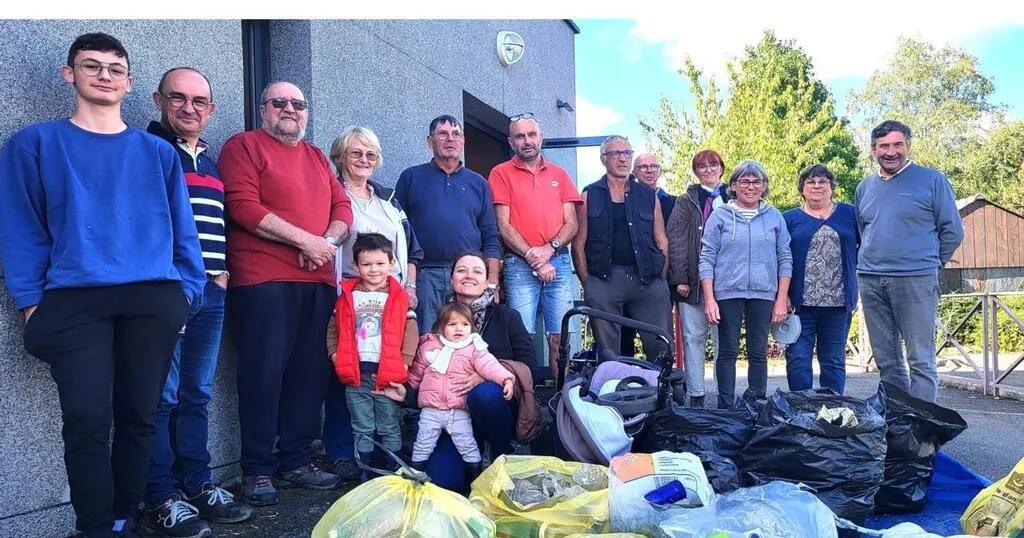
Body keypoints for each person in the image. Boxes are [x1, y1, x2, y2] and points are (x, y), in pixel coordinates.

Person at [0, 33, 205, 538]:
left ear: (129, 83)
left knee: (140, 415)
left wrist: (186, 295)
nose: (104, 75)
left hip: (152, 297)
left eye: (115, 68)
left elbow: (183, 230)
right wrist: (30, 303)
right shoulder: (34, 144)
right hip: (73, 299)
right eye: (91, 66)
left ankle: (123, 517)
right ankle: (94, 527)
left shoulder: (157, 152)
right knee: (87, 418)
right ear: (69, 74)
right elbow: (20, 227)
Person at [219, 81, 353, 506]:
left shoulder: (316, 157)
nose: (289, 109)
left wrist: (325, 244)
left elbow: (342, 209)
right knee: (263, 373)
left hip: (317, 281)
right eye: (279, 102)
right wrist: (306, 241)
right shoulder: (243, 146)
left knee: (309, 374)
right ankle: (257, 469)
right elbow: (242, 206)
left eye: (298, 103)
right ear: (263, 110)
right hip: (263, 280)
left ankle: (296, 460)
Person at [140, 67, 252, 537]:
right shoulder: (147, 151)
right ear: (158, 100)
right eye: (178, 98)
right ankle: (160, 497)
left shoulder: (209, 160)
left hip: (212, 291)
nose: (189, 108)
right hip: (169, 291)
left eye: (199, 101)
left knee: (196, 394)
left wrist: (222, 275)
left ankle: (198, 485)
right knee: (161, 397)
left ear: (211, 109)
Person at [373, 252, 535, 491]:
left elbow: (530, 366)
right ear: (451, 279)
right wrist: (406, 394)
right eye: (461, 270)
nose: (469, 275)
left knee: (484, 393)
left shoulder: (507, 317)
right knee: (443, 481)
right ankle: (472, 461)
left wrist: (485, 375)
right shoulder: (441, 322)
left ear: (487, 281)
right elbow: (427, 374)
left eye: (477, 271)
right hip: (453, 416)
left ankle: (500, 452)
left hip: (495, 410)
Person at [322, 126, 423, 478]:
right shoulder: (331, 194)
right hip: (346, 297)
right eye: (356, 153)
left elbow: (411, 247)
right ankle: (343, 453)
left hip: (390, 300)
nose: (364, 160)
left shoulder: (388, 199)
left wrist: (409, 285)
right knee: (348, 377)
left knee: (384, 370)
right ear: (340, 156)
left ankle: (386, 455)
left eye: (370, 154)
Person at [856, 120, 964, 403]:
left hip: (915, 279)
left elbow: (952, 231)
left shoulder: (932, 180)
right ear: (873, 150)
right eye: (883, 146)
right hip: (871, 279)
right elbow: (864, 231)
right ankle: (898, 420)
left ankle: (922, 426)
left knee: (920, 359)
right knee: (886, 360)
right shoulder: (865, 187)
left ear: (908, 146)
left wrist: (929, 263)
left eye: (897, 145)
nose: (890, 152)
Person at [488, 113, 581, 383]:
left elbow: (572, 223)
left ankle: (563, 400)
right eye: (520, 136)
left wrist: (549, 250)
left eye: (531, 135)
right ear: (511, 142)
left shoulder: (560, 174)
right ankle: (525, 401)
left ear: (541, 137)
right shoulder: (500, 173)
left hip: (558, 262)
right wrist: (534, 257)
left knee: (560, 338)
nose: (527, 141)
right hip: (519, 264)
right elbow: (502, 225)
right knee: (521, 337)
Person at [395, 115, 501, 333]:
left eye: (456, 134)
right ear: (430, 141)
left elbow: (490, 234)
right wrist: (408, 282)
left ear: (463, 142)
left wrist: (492, 283)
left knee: (467, 339)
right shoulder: (410, 178)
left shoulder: (478, 183)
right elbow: (398, 232)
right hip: (425, 275)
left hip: (467, 277)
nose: (450, 139)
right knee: (426, 338)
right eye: (443, 134)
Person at [700, 160, 792, 408]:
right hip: (727, 293)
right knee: (727, 351)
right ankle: (726, 408)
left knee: (758, 352)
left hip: (763, 293)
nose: (751, 187)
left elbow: (785, 258)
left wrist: (781, 298)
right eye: (744, 181)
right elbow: (706, 257)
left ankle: (757, 405)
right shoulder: (720, 216)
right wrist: (710, 299)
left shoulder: (774, 217)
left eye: (756, 182)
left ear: (764, 185)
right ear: (733, 185)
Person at [326, 233, 418, 480]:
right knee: (362, 427)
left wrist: (405, 362)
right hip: (355, 373)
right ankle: (365, 472)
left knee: (389, 424)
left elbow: (411, 332)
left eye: (380, 263)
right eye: (366, 264)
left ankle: (394, 471)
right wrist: (334, 354)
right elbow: (333, 328)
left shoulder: (399, 297)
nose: (374, 269)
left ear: (392, 263)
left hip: (387, 374)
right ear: (356, 265)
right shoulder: (347, 296)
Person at [573, 136, 673, 360]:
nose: (622, 158)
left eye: (627, 153)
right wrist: (589, 285)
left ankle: (664, 384)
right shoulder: (589, 195)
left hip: (647, 279)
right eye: (615, 154)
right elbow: (578, 243)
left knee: (662, 349)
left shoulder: (649, 196)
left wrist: (661, 280)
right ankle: (613, 383)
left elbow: (662, 240)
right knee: (609, 353)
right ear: (603, 160)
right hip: (604, 280)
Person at [407, 302, 514, 481]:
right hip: (431, 409)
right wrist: (405, 389)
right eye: (452, 324)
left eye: (465, 324)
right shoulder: (429, 346)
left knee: (466, 443)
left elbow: (490, 365)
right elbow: (416, 374)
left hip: (457, 410)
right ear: (441, 327)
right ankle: (413, 476)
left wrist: (506, 378)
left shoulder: (474, 348)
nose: (459, 328)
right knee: (423, 443)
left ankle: (476, 477)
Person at [783, 164, 859, 395]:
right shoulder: (789, 218)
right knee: (798, 359)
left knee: (833, 360)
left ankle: (832, 409)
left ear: (832, 187)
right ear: (802, 189)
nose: (817, 186)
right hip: (799, 305)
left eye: (823, 181)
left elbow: (868, 247)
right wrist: (782, 296)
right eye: (811, 182)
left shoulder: (850, 214)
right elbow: (779, 259)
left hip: (838, 303)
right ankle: (800, 407)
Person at [666, 149, 730, 408]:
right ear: (695, 172)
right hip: (692, 282)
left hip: (727, 284)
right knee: (693, 338)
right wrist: (680, 277)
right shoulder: (686, 201)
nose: (709, 170)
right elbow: (676, 239)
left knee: (724, 342)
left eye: (713, 165)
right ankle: (696, 395)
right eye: (702, 166)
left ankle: (725, 396)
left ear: (721, 168)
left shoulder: (735, 196)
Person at [621, 153, 674, 356]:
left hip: (659, 277)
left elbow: (672, 241)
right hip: (627, 277)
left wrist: (664, 275)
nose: (649, 170)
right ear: (634, 172)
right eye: (643, 167)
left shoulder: (673, 203)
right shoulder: (620, 198)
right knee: (624, 335)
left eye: (654, 166)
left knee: (659, 340)